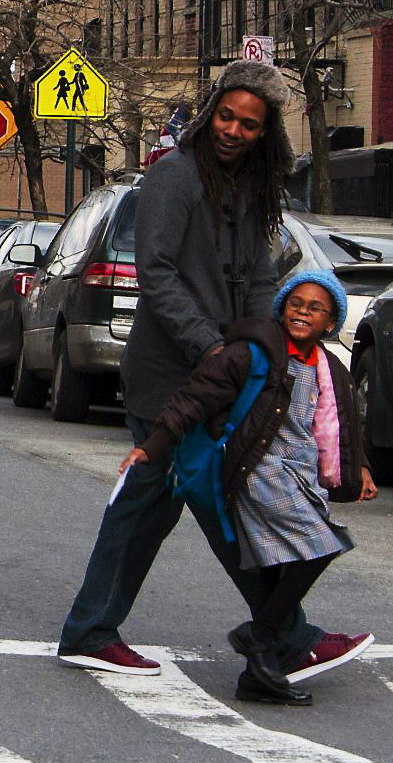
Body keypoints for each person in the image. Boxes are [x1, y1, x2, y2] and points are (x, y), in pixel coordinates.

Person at [56, 60, 369, 682]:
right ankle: (281, 634)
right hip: (170, 371)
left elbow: (256, 277)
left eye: (248, 124)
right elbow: (158, 274)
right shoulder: (173, 177)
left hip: (226, 371)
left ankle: (100, 628)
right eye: (226, 116)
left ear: (266, 133)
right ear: (209, 112)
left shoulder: (253, 189)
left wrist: (265, 348)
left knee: (188, 499)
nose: (232, 130)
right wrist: (212, 347)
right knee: (189, 498)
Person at [121, 272, 373, 704]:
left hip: (300, 475)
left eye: (315, 308)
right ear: (281, 309)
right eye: (296, 303)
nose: (303, 312)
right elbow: (196, 397)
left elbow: (342, 423)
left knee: (279, 570)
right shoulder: (253, 353)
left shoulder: (328, 367)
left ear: (330, 324)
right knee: (322, 545)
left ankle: (260, 675)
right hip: (259, 469)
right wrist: (153, 445)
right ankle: (259, 636)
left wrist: (361, 468)